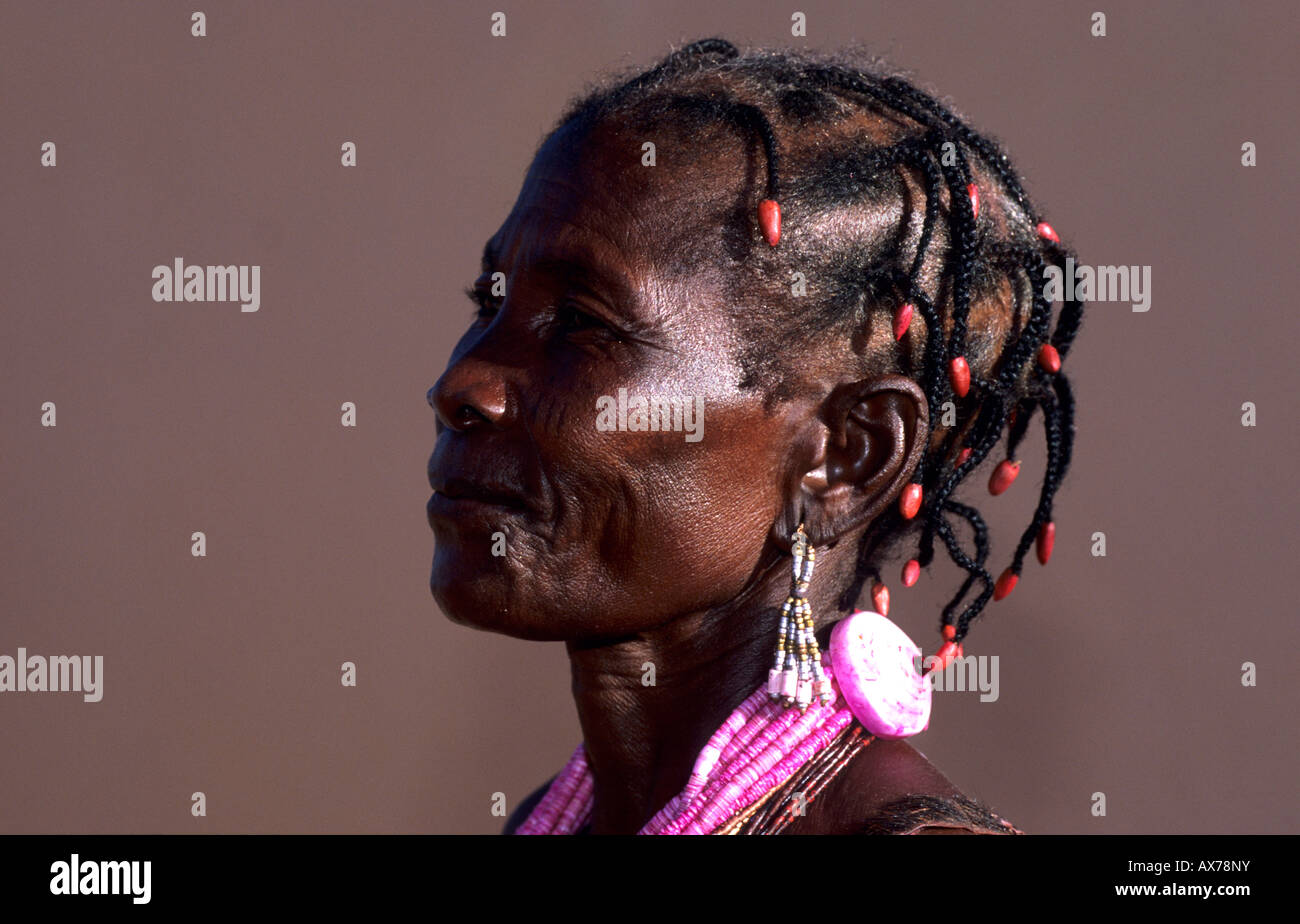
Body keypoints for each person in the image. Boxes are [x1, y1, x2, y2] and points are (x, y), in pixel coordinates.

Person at [426, 39, 1080, 834]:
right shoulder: (555, 818)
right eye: (486, 303)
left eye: (582, 324)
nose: (461, 385)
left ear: (847, 456)